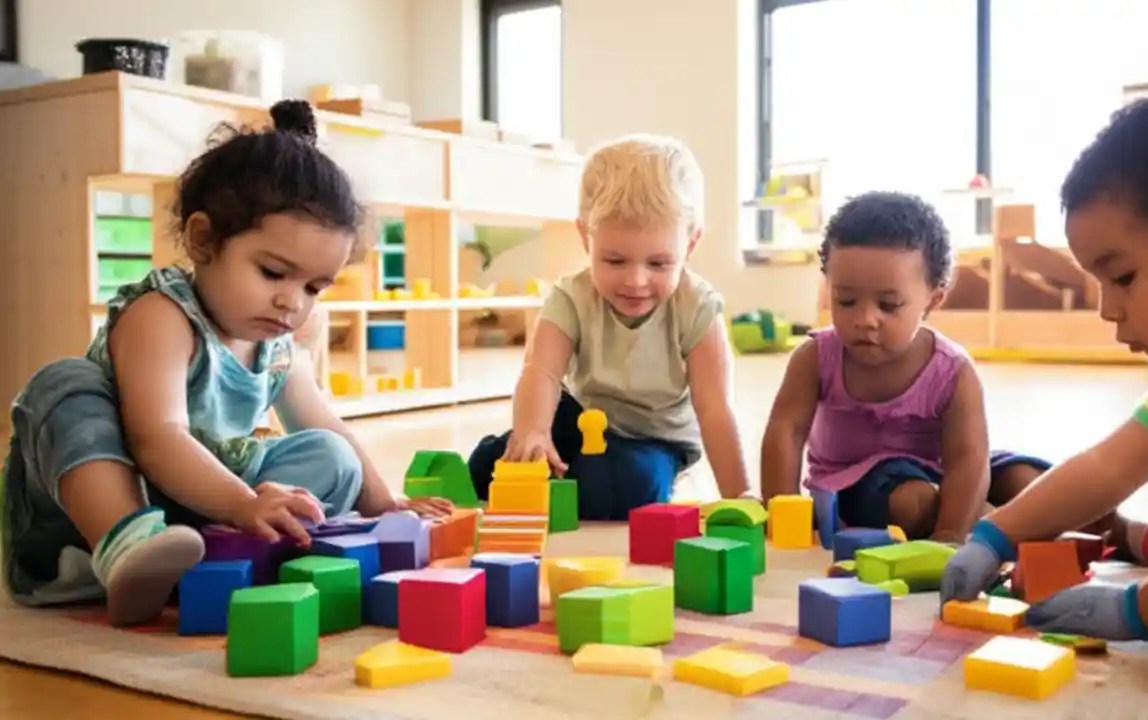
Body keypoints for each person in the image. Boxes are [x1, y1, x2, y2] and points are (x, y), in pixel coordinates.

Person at [1, 100, 447, 629]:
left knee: (330, 455)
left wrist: (383, 504)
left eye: (312, 287)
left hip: (196, 515)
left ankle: (216, 561)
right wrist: (241, 503)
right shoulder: (162, 315)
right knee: (64, 382)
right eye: (272, 272)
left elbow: (322, 421)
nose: (292, 302)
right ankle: (126, 547)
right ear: (203, 240)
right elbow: (157, 436)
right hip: (80, 526)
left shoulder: (277, 341)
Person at [939, 90, 1148, 718]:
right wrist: (994, 534)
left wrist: (1140, 610)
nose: (1106, 308)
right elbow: (1107, 467)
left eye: (1121, 277)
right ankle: (1139, 540)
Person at [467, 134, 752, 519]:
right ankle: (554, 467)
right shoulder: (570, 296)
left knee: (631, 487)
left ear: (691, 243)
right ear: (586, 236)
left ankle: (574, 480)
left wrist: (740, 496)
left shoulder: (698, 306)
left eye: (658, 264)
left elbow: (714, 408)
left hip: (654, 438)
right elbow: (542, 372)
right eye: (615, 261)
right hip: (581, 415)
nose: (635, 281)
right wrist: (533, 430)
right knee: (488, 466)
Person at [761, 191, 1050, 541]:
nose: (865, 319)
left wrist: (950, 537)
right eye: (846, 300)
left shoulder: (953, 370)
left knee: (1031, 483)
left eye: (888, 304)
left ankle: (1103, 529)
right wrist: (783, 516)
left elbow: (967, 458)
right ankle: (990, 524)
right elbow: (785, 433)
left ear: (933, 299)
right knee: (915, 503)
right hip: (854, 480)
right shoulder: (815, 357)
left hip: (941, 470)